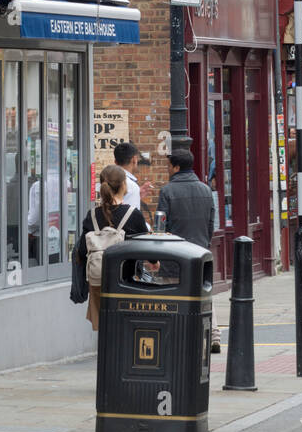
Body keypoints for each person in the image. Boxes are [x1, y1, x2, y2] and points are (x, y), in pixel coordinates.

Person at [156, 149, 221, 349]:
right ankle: (214, 336)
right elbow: (211, 224)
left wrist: (158, 252)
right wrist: (204, 244)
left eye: (168, 166)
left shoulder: (167, 191)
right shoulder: (205, 190)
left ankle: (175, 336)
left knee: (171, 294)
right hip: (200, 252)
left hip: (173, 254)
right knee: (204, 293)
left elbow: (161, 227)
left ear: (176, 167)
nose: (167, 169)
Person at [77, 163, 147, 330]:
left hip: (98, 282)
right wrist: (154, 262)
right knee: (124, 329)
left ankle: (107, 356)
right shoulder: (133, 215)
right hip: (125, 282)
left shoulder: (92, 215)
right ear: (123, 185)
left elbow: (81, 250)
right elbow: (145, 247)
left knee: (105, 330)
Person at [113, 140, 153, 214]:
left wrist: (137, 195)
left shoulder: (109, 181)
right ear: (134, 159)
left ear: (115, 162)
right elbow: (132, 219)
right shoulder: (131, 186)